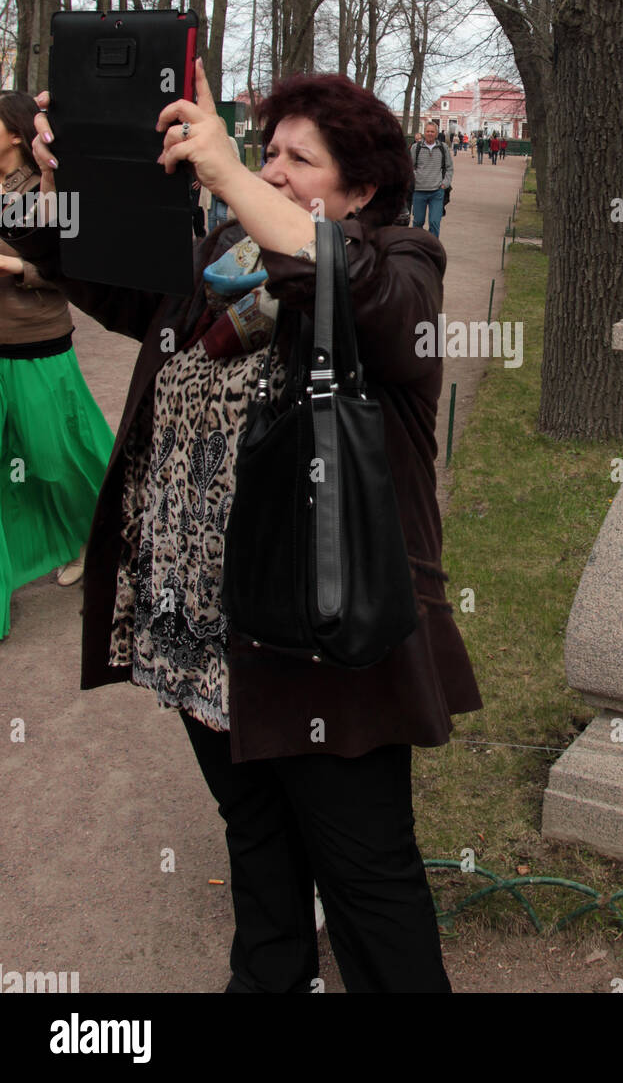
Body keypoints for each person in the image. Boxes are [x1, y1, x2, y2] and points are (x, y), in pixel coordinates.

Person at [15, 64, 481, 993]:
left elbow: (356, 296)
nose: (267, 171)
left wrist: (225, 173)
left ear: (363, 189)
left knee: (364, 873)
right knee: (258, 839)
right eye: (263, 153)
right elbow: (109, 282)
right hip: (201, 629)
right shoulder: (226, 260)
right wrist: (66, 187)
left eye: (295, 160)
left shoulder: (401, 267)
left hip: (320, 636)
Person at [0, 91, 114, 639]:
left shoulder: (43, 191)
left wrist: (11, 265)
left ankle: (101, 533)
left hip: (37, 344)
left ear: (17, 135)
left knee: (58, 454)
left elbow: (69, 270)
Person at [410, 121, 452, 239]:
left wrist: (445, 184)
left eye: (432, 131)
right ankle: (417, 247)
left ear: (436, 133)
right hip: (419, 191)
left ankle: (432, 248)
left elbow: (449, 168)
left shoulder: (443, 148)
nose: (430, 134)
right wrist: (415, 177)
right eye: (428, 131)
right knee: (418, 222)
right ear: (424, 133)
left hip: (437, 191)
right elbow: (409, 166)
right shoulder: (416, 148)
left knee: (434, 222)